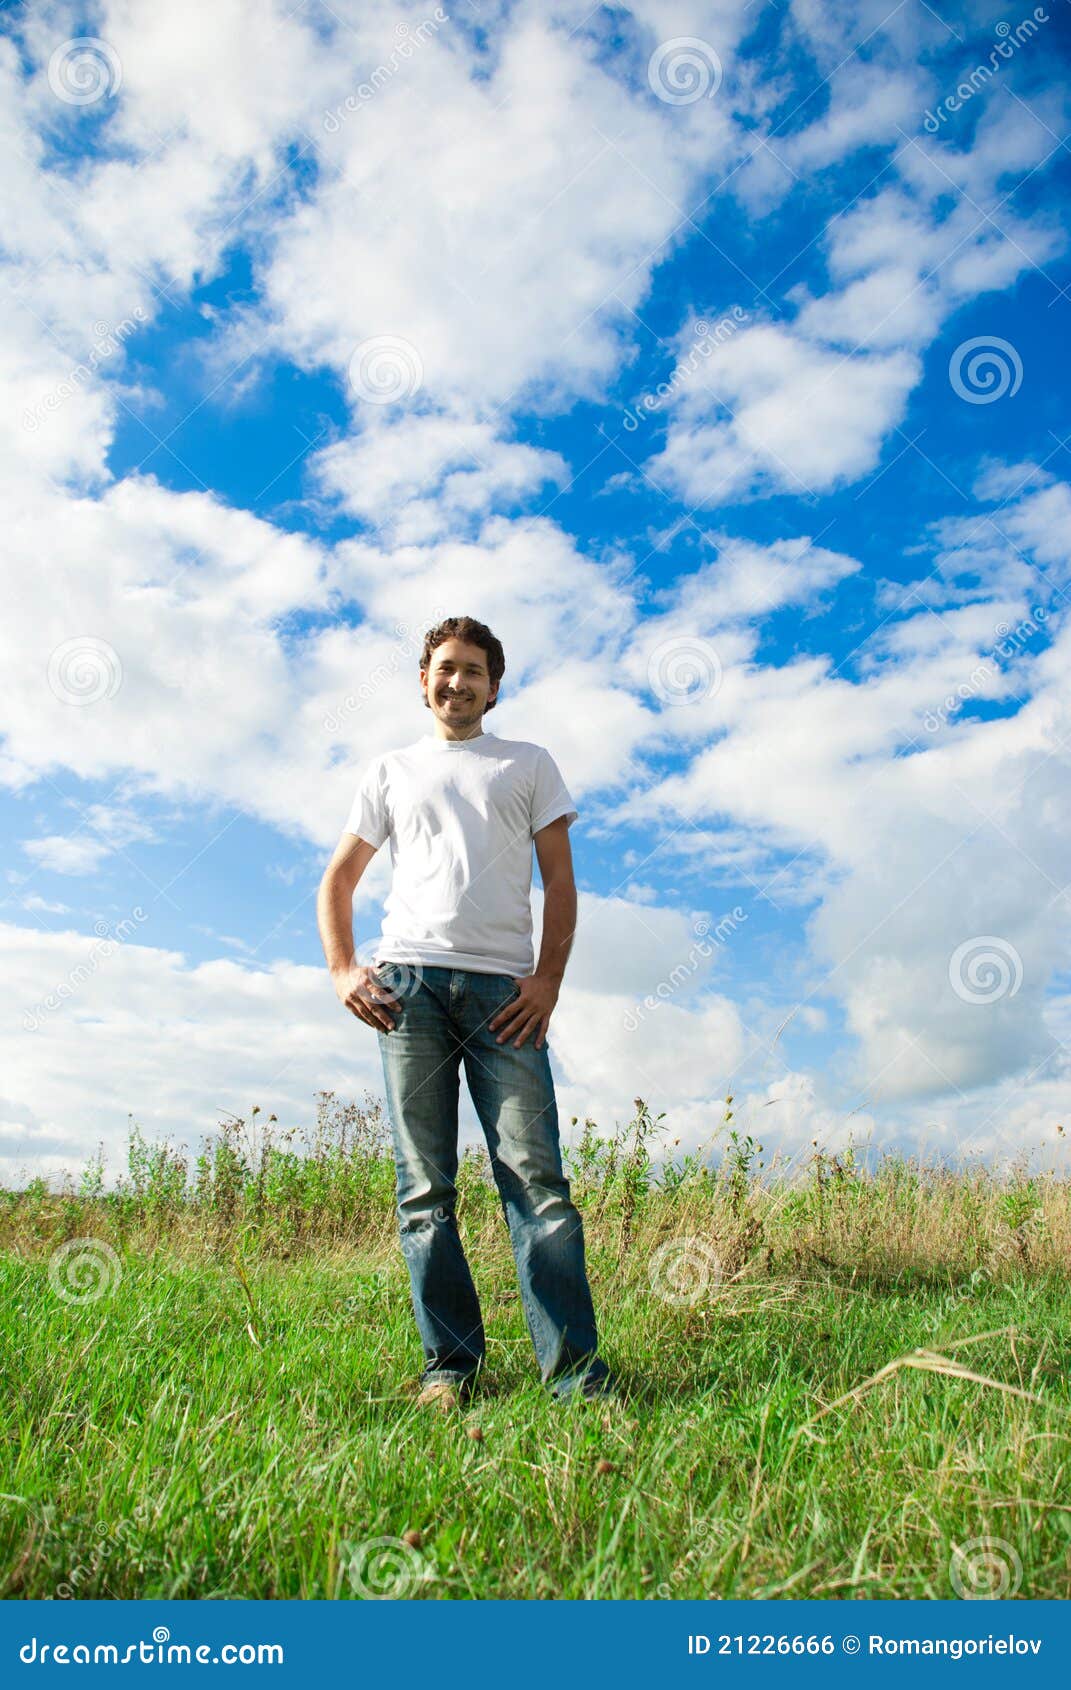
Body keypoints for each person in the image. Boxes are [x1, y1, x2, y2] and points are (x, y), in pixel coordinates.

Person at [317, 614, 616, 1410]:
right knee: (424, 1191)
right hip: (408, 991)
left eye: (474, 670)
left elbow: (560, 881)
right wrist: (345, 968)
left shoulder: (527, 765)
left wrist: (547, 981)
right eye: (444, 668)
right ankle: (449, 1370)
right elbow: (338, 881)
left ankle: (575, 1378)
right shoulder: (389, 770)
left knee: (538, 1185)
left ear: (494, 684)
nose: (458, 682)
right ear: (423, 680)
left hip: (503, 995)